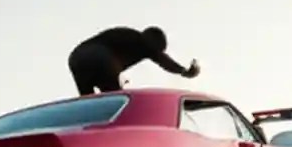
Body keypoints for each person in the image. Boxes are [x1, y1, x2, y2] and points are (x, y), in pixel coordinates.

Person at [67, 26, 200, 96]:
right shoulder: (142, 42)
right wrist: (184, 71)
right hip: (99, 55)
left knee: (88, 101)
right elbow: (165, 61)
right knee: (113, 99)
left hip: (75, 58)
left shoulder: (127, 35)